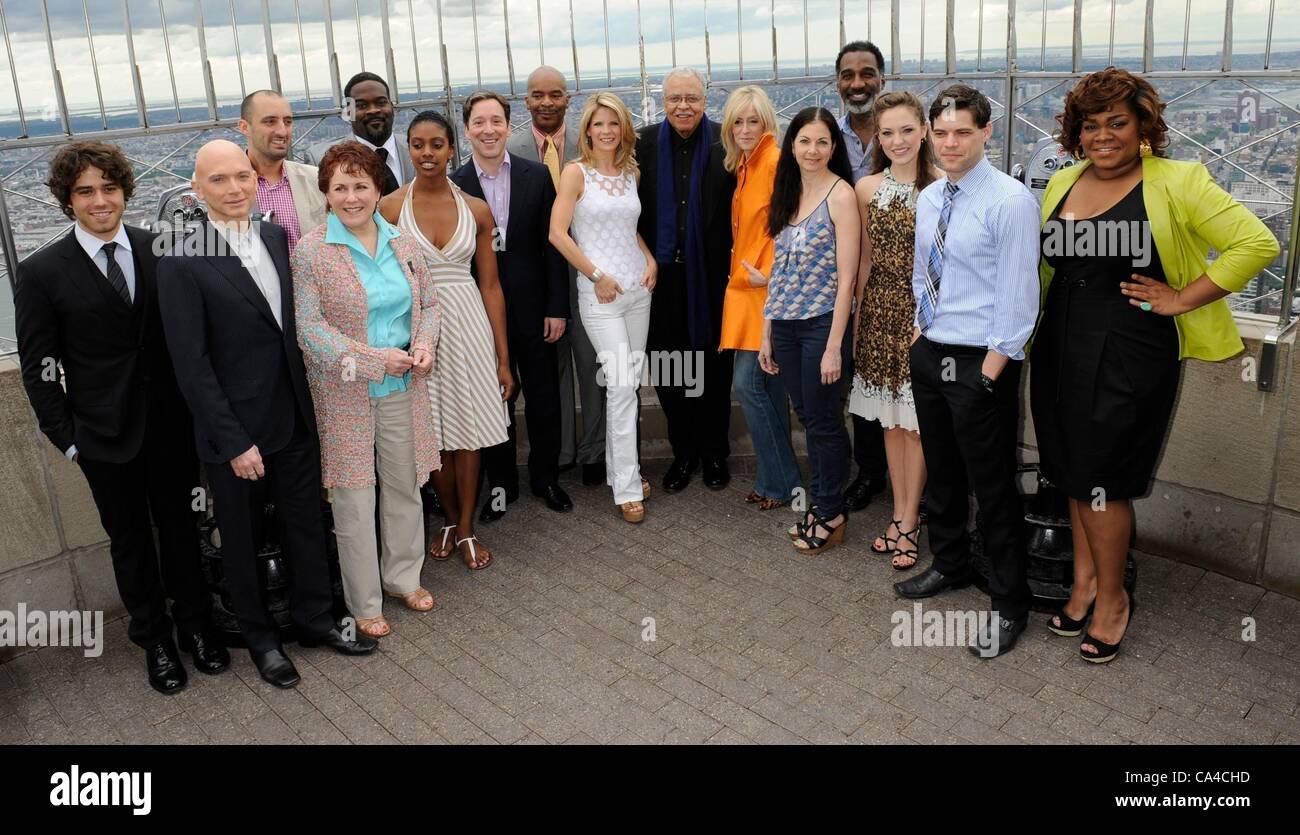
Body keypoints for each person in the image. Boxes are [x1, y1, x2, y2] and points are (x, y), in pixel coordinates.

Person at [1033, 68, 1279, 663]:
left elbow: (1257, 244)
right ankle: (1084, 584)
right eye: (1090, 125)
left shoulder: (1179, 180)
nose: (1103, 136)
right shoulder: (1063, 181)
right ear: (1075, 133)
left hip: (1130, 352)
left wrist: (1180, 298)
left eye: (1118, 122)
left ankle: (1113, 600)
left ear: (1144, 126)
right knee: (1068, 469)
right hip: (1059, 345)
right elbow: (1046, 267)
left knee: (1103, 480)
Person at [157, 140, 376, 689]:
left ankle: (316, 621)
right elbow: (192, 365)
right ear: (196, 188)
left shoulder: (277, 236)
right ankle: (260, 640)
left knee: (305, 525)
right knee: (242, 538)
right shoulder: (181, 258)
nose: (234, 189)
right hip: (234, 433)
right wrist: (232, 441)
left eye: (242, 177)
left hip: (294, 417)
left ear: (256, 180)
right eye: (219, 181)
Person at [14, 141, 227, 695]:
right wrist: (68, 441)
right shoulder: (40, 272)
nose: (99, 200)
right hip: (102, 438)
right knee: (130, 543)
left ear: (124, 191)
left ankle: (196, 629)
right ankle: (154, 640)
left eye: (109, 188)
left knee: (182, 533)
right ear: (68, 199)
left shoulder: (162, 249)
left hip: (170, 427)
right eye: (85, 191)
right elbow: (39, 367)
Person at [893, 85, 1040, 660]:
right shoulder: (931, 197)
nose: (950, 142)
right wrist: (917, 336)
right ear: (931, 133)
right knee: (945, 473)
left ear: (985, 133)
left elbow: (1020, 293)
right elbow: (922, 271)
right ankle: (950, 564)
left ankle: (1010, 604)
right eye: (942, 131)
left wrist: (993, 369)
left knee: (994, 485)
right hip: (932, 351)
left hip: (982, 360)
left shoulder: (1010, 201)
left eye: (963, 132)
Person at [292, 140, 440, 639]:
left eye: (361, 185)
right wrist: (376, 358)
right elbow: (309, 330)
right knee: (354, 498)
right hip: (346, 394)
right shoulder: (311, 251)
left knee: (404, 486)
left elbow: (430, 306)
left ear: (379, 189)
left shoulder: (403, 243)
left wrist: (422, 345)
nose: (351, 197)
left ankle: (403, 577)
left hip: (403, 386)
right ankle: (364, 601)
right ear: (326, 194)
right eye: (340, 188)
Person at [380, 111, 511, 570]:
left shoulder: (476, 209)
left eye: (437, 144)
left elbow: (491, 286)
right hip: (417, 331)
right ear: (410, 149)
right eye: (418, 145)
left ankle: (468, 527)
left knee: (469, 429)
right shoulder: (389, 208)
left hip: (469, 323)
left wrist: (503, 358)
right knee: (428, 431)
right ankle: (452, 520)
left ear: (452, 148)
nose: (427, 153)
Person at [451, 90, 573, 523]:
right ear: (466, 130)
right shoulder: (453, 186)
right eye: (479, 122)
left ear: (508, 126)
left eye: (496, 121)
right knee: (494, 400)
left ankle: (546, 479)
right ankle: (502, 487)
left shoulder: (536, 177)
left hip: (536, 308)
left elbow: (554, 246)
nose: (488, 130)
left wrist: (557, 307)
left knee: (543, 397)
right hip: (478, 313)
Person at [550, 93, 658, 523]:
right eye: (599, 124)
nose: (607, 131)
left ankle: (620, 471)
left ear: (623, 128)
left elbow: (629, 229)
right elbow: (558, 234)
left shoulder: (630, 172)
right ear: (588, 130)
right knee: (620, 385)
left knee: (626, 386)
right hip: (600, 297)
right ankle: (628, 488)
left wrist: (650, 259)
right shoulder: (576, 174)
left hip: (638, 292)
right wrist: (597, 276)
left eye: (614, 123)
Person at [761, 107, 860, 555]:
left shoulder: (841, 196)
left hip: (821, 325)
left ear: (833, 147)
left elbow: (847, 278)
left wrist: (835, 345)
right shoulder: (787, 191)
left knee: (822, 421)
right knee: (809, 416)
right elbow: (778, 269)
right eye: (804, 141)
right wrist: (766, 331)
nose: (813, 150)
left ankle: (829, 510)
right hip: (784, 325)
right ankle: (823, 506)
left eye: (822, 142)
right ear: (792, 146)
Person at [849, 91, 941, 570]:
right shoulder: (866, 188)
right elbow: (864, 259)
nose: (897, 140)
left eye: (907, 130)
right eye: (887, 132)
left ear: (924, 130)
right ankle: (900, 514)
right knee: (890, 420)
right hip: (880, 310)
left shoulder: (944, 186)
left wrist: (929, 322)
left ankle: (909, 519)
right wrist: (860, 314)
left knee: (917, 424)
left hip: (924, 315)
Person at [635, 67, 736, 493]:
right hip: (657, 278)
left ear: (705, 99)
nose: (683, 106)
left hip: (712, 277)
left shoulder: (724, 141)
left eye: (691, 98)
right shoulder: (640, 144)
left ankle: (714, 453)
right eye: (675, 98)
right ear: (663, 101)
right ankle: (684, 453)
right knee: (668, 368)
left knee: (714, 367)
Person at [508, 66, 608, 487]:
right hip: (538, 280)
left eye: (555, 94)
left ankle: (595, 452)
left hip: (587, 270)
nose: (546, 102)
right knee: (553, 371)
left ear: (569, 99)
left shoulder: (590, 141)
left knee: (592, 364)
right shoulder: (509, 148)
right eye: (537, 95)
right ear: (525, 101)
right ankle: (563, 451)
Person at [718, 86, 801, 511]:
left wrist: (768, 276)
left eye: (753, 120)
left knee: (749, 384)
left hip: (765, 292)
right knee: (766, 388)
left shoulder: (771, 163)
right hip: (754, 293)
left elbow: (788, 226)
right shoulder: (750, 164)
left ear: (767, 122)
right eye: (738, 121)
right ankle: (777, 480)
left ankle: (783, 481)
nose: (746, 128)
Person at [835, 40, 890, 512]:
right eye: (849, 75)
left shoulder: (905, 130)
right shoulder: (826, 136)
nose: (858, 83)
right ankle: (870, 471)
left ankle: (923, 481)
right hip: (844, 280)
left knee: (909, 381)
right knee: (860, 384)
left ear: (882, 79)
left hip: (899, 278)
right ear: (838, 83)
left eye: (867, 73)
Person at [237, 89, 327, 251]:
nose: (282, 131)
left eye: (287, 122)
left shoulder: (317, 179)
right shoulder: (227, 187)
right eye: (270, 121)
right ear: (244, 127)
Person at [303, 72, 414, 195]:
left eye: (381, 102)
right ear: (349, 112)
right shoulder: (320, 159)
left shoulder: (416, 149)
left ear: (392, 107)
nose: (373, 110)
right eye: (361, 105)